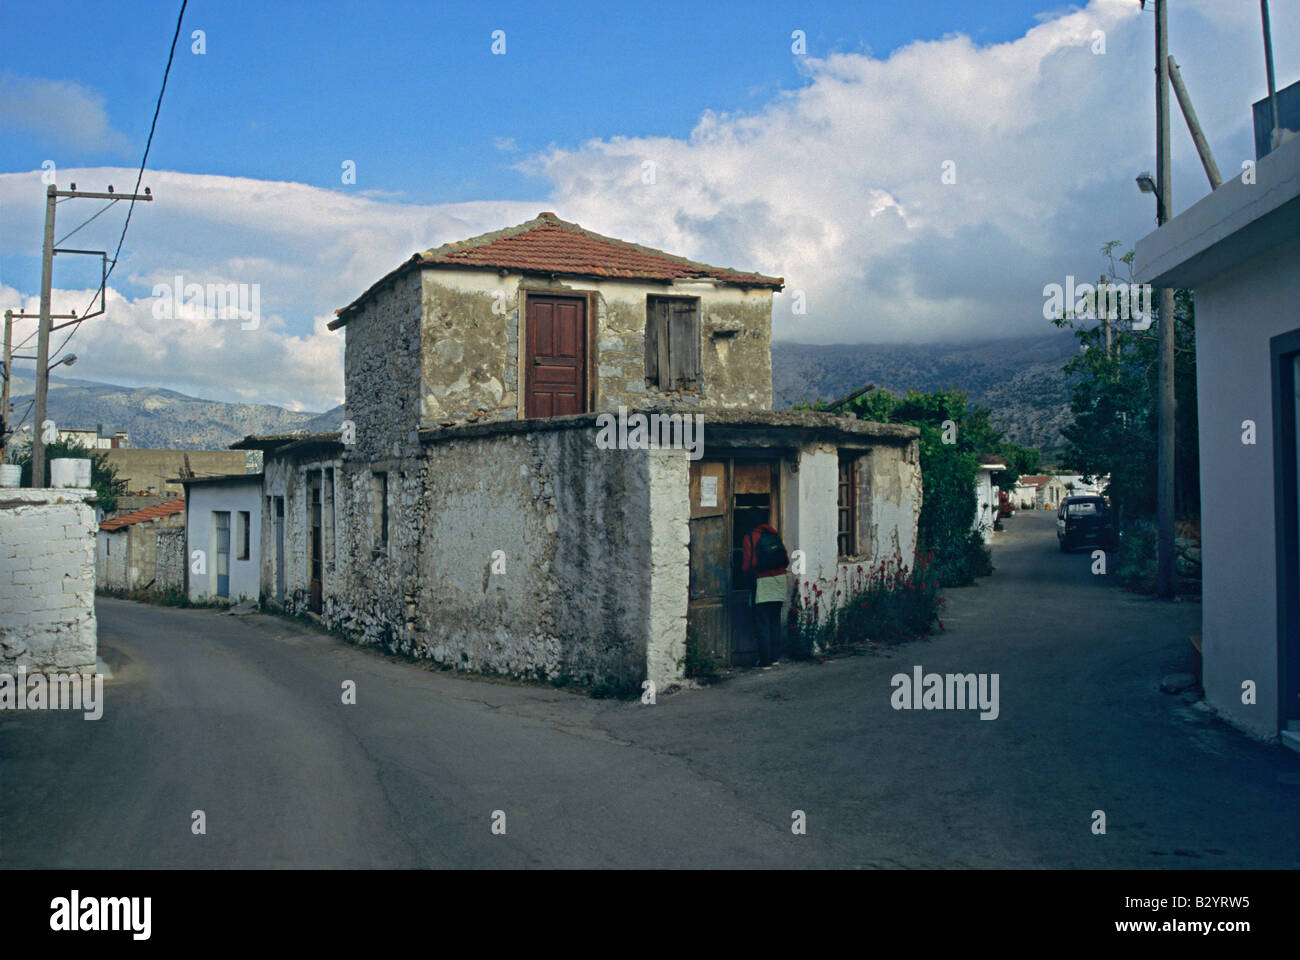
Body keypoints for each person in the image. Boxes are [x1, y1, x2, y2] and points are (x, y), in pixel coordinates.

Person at [741, 521, 788, 668]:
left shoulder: (750, 537)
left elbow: (747, 564)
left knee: (762, 622)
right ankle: (774, 658)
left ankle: (765, 661)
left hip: (762, 581)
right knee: (775, 620)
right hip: (780, 581)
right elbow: (785, 560)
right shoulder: (774, 535)